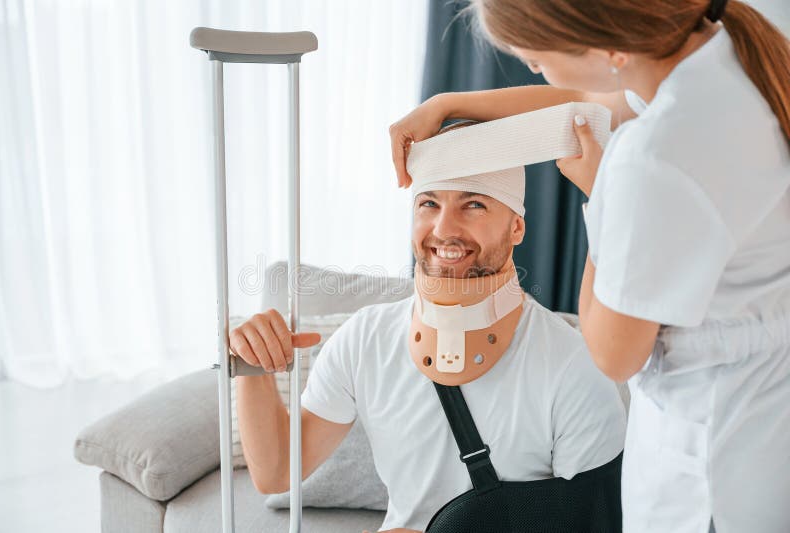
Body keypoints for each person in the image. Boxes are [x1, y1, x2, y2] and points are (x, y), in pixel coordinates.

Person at [388, 1, 790, 532]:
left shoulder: (653, 156)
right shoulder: (724, 61)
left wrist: (603, 199)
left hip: (715, 469)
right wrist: (448, 104)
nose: (533, 69)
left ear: (606, 46)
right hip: (764, 421)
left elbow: (613, 354)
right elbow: (581, 101)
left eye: (538, 58)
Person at [230, 125, 626, 532]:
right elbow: (277, 472)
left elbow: (594, 524)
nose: (443, 229)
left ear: (516, 227)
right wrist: (253, 363)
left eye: (474, 204)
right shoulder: (365, 338)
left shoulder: (573, 364)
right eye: (429, 203)